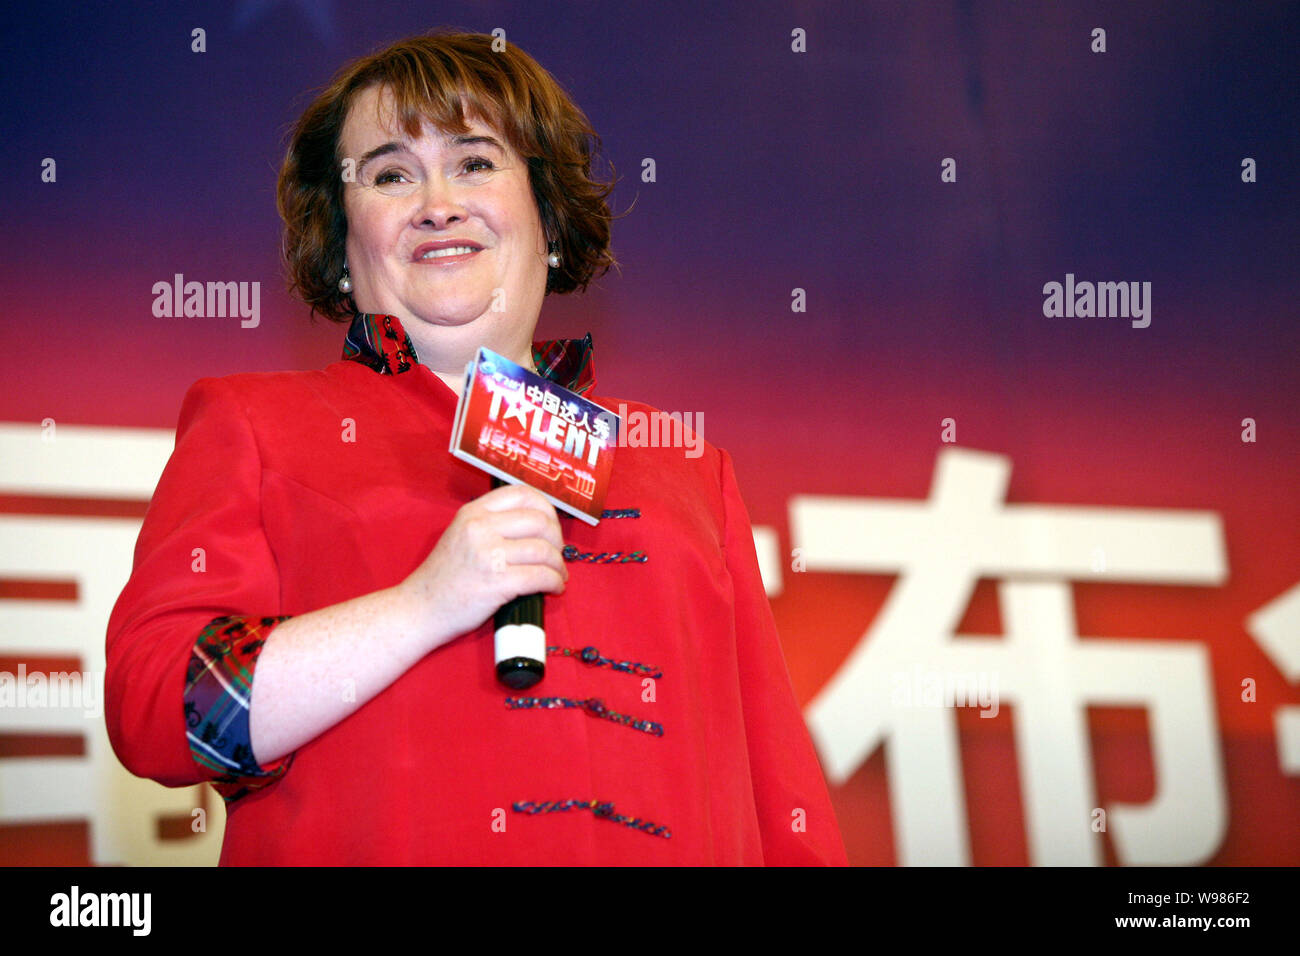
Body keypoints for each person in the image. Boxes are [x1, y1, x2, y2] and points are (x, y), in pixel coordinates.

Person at [105, 31, 847, 865]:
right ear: (342, 244)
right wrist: (423, 605)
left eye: (476, 163)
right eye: (390, 175)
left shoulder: (684, 467)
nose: (437, 202)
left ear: (548, 218)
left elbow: (782, 793)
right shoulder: (254, 422)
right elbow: (161, 707)